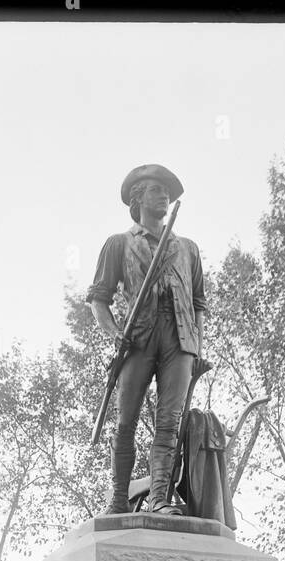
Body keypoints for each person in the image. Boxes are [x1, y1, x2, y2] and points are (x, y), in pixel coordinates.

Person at [86, 163, 209, 515]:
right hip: (137, 339)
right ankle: (118, 499)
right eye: (157, 190)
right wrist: (115, 335)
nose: (165, 196)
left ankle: (158, 498)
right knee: (125, 421)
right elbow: (99, 299)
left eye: (167, 192)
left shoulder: (188, 249)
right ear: (138, 198)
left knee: (170, 422)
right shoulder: (119, 244)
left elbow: (199, 302)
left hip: (180, 339)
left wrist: (197, 343)